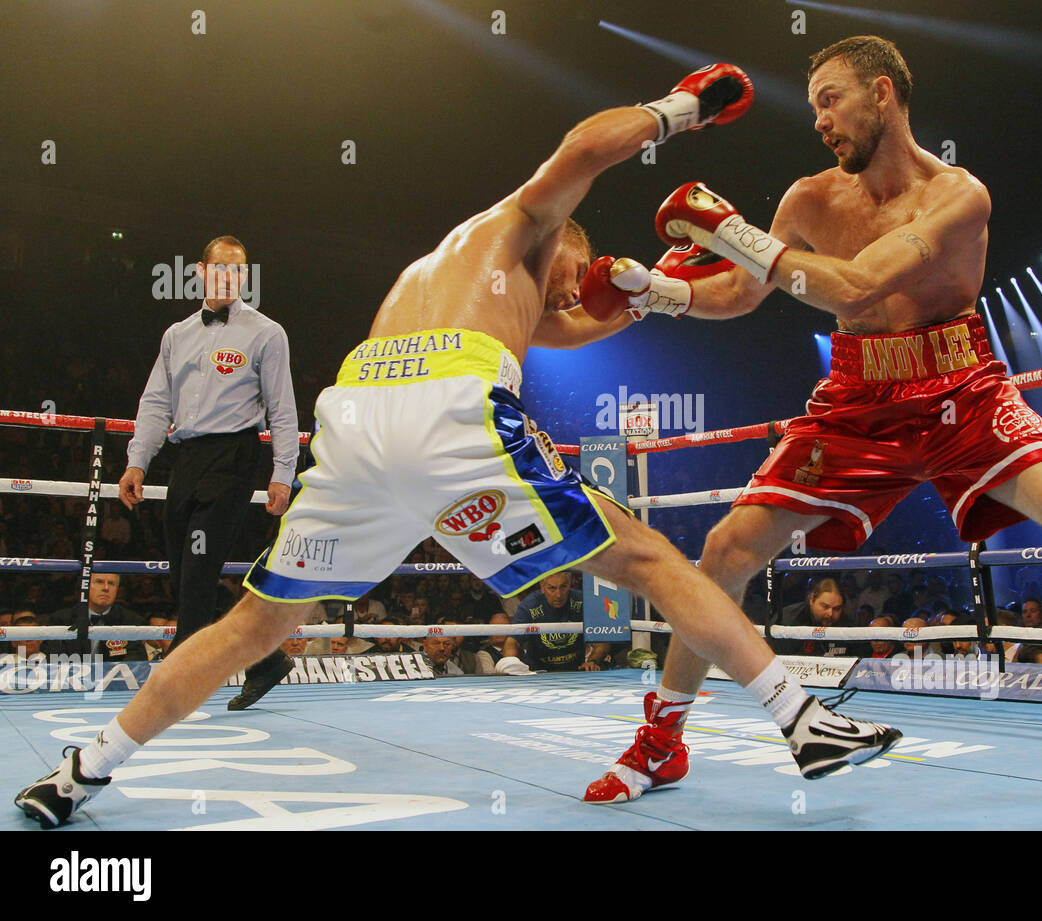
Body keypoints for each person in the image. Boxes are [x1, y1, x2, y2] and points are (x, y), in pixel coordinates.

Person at [15, 63, 899, 828]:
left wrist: (649, 293)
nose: (570, 294)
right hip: (448, 405)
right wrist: (683, 108)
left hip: (360, 417)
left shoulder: (460, 287)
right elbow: (582, 151)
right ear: (564, 242)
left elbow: (575, 323)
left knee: (256, 623)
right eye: (572, 275)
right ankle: (802, 719)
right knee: (652, 559)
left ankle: (83, 769)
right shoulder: (519, 223)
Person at [581, 34, 1042, 801]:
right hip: (856, 401)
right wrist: (662, 293)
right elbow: (741, 292)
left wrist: (727, 230)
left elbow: (859, 285)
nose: (819, 119)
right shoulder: (808, 199)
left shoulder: (960, 194)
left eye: (831, 99)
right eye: (815, 106)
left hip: (966, 393)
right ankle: (661, 741)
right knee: (726, 547)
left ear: (883, 93)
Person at [118, 235, 300, 709]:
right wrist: (138, 460)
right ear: (200, 271)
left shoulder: (266, 333)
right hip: (186, 459)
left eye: (238, 270)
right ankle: (265, 660)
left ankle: (180, 676)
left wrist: (282, 473)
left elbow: (282, 409)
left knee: (198, 570)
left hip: (233, 459)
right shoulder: (177, 335)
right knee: (185, 575)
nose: (229, 277)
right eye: (220, 267)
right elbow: (156, 403)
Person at [505, 571, 607, 671]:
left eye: (563, 587)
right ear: (542, 587)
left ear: (570, 584)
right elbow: (512, 641)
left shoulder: (582, 601)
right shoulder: (529, 605)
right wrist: (510, 665)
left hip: (575, 671)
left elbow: (603, 636)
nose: (558, 595)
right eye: (552, 588)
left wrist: (593, 661)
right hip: (537, 672)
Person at [45, 573, 149, 662]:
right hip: (73, 677)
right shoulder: (61, 619)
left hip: (116, 678)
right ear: (85, 586)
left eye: (111, 583)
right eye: (99, 582)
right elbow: (54, 658)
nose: (106, 588)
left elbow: (136, 660)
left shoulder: (132, 621)